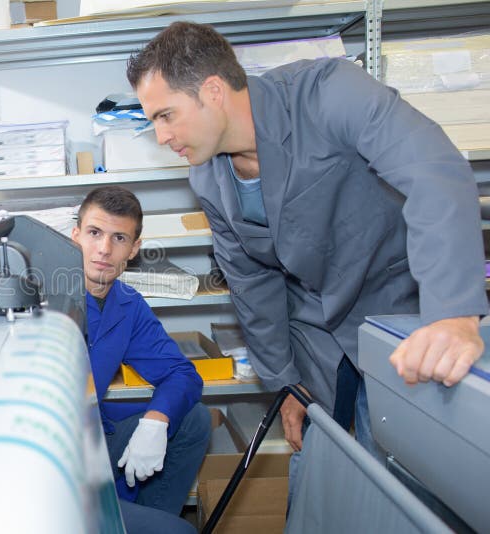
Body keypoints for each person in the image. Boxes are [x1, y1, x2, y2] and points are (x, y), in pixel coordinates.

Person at [126, 21, 487, 460]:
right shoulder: (207, 177)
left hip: (401, 318)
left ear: (214, 91)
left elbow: (436, 175)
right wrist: (284, 381)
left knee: (399, 479)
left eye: (166, 116)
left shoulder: (332, 93)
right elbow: (251, 284)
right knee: (318, 482)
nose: (162, 137)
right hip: (314, 337)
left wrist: (452, 313)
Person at [71, 185, 211, 516]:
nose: (104, 248)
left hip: (94, 443)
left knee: (194, 419)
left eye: (118, 238)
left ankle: (149, 518)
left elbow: (182, 374)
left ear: (134, 249)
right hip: (48, 455)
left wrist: (156, 422)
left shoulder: (127, 305)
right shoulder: (38, 297)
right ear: (75, 235)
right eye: (94, 232)